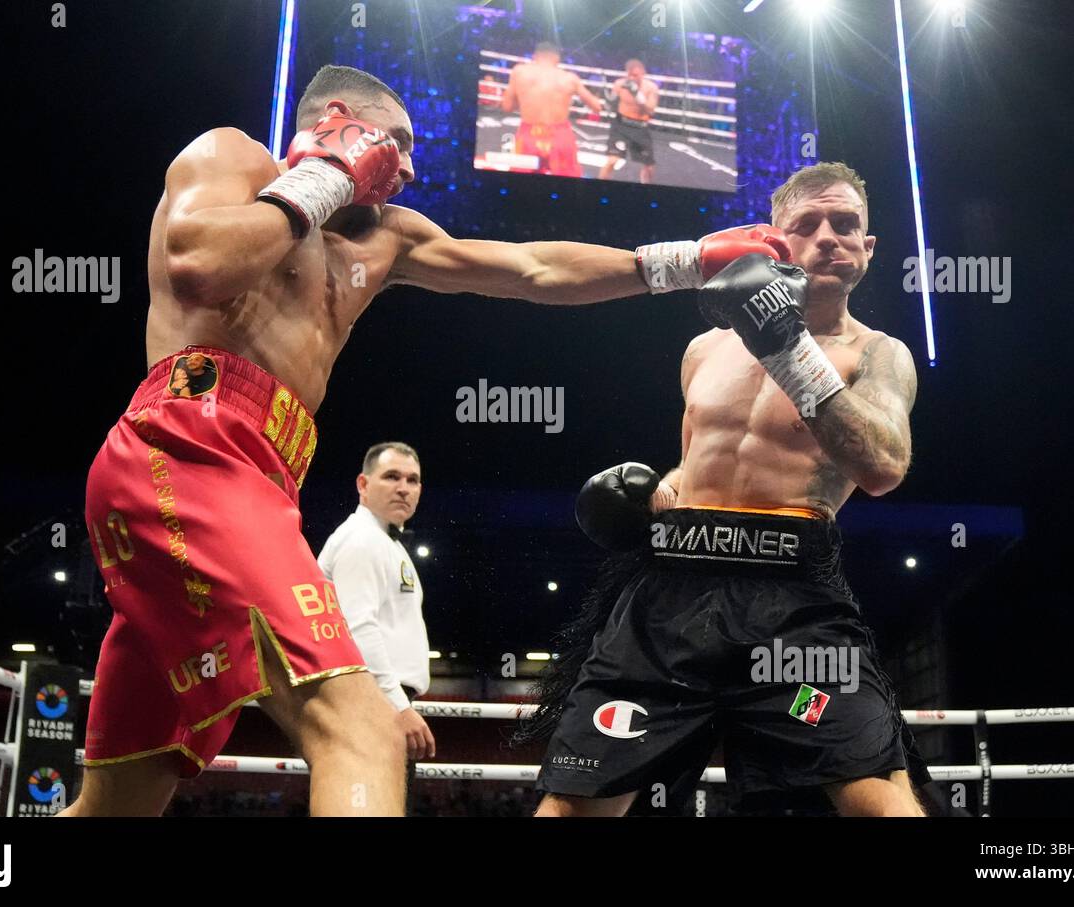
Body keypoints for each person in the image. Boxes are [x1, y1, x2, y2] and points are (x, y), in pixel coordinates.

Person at [63, 63, 785, 817]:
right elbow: (198, 264)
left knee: (118, 802)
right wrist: (328, 174)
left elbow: (532, 268)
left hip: (259, 472)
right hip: (191, 445)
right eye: (398, 143)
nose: (408, 168)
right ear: (340, 119)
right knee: (362, 731)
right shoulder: (233, 158)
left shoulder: (387, 238)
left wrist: (686, 261)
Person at [527, 162, 930, 817]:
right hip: (669, 602)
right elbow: (690, 469)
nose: (828, 237)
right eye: (807, 224)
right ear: (774, 240)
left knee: (879, 797)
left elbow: (884, 463)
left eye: (845, 224)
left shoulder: (879, 354)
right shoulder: (704, 349)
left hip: (794, 611)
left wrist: (787, 346)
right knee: (573, 803)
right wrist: (651, 494)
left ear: (869, 246)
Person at [318, 443, 434, 763]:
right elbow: (358, 628)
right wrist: (398, 705)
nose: (403, 488)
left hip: (376, 697)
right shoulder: (362, 540)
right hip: (371, 699)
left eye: (412, 480)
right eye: (392, 476)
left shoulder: (385, 542)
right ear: (363, 484)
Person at [501, 42, 604, 177]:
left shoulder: (519, 72)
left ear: (535, 56)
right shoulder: (570, 78)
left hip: (528, 135)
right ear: (557, 58)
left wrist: (526, 97)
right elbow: (597, 107)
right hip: (560, 136)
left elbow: (507, 107)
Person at [598, 59, 659, 184]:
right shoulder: (620, 84)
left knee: (649, 167)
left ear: (643, 73)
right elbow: (611, 106)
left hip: (640, 128)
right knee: (612, 161)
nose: (631, 78)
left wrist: (637, 95)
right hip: (621, 126)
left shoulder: (651, 88)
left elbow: (651, 111)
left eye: (635, 75)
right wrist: (609, 102)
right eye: (629, 75)